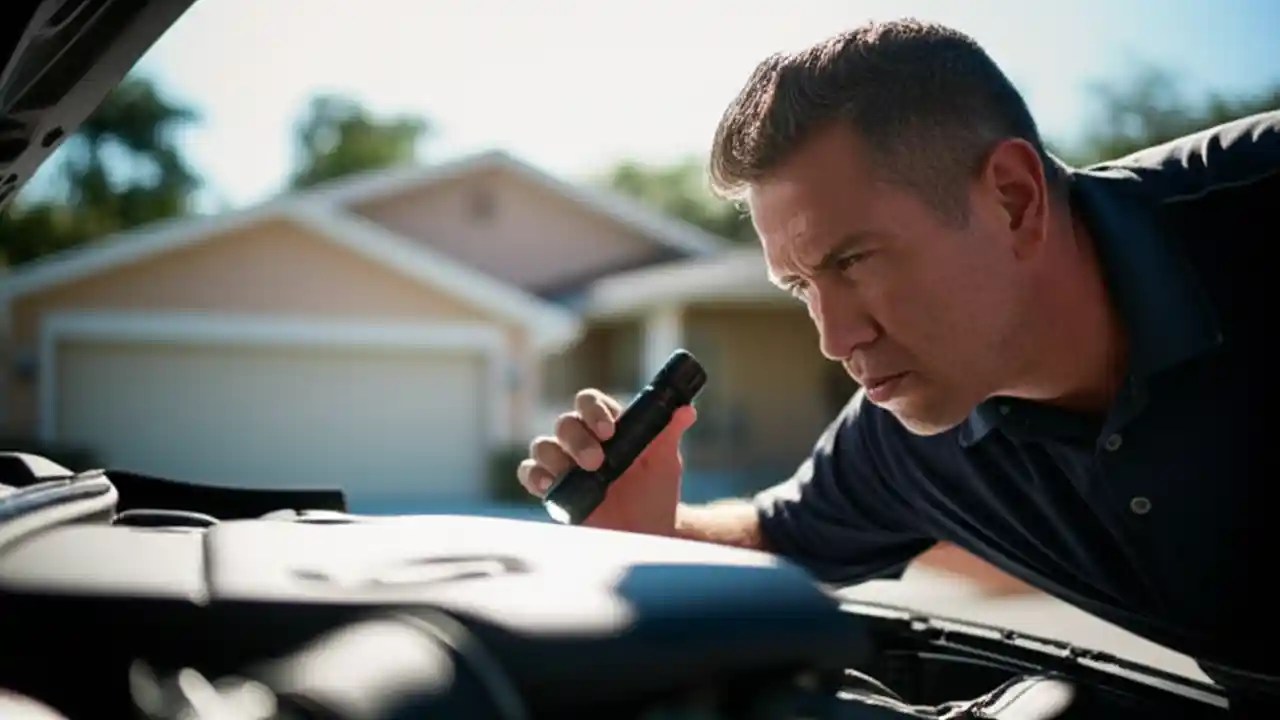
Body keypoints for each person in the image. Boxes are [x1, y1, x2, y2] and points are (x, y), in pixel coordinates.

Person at [517, 18, 1279, 710]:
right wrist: (646, 529)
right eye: (801, 287)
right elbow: (779, 540)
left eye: (853, 260)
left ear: (1013, 200)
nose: (835, 336)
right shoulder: (907, 436)